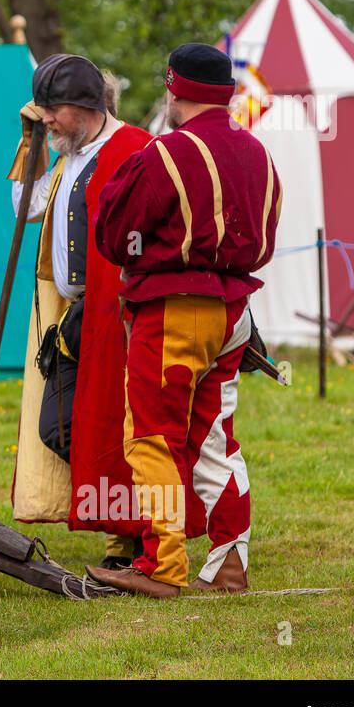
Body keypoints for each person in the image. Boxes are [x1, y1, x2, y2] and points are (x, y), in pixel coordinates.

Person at [87, 43, 282, 599]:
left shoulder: (165, 152)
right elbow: (264, 235)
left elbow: (114, 230)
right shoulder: (260, 154)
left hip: (174, 311)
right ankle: (229, 562)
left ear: (176, 90)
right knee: (218, 438)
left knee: (153, 438)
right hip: (235, 312)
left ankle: (162, 566)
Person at [7, 55, 153, 569]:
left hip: (120, 316)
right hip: (73, 318)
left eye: (51, 110)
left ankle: (129, 539)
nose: (44, 117)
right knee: (62, 429)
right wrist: (30, 143)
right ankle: (128, 523)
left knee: (116, 426)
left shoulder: (135, 149)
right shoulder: (65, 154)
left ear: (84, 105)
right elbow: (24, 208)